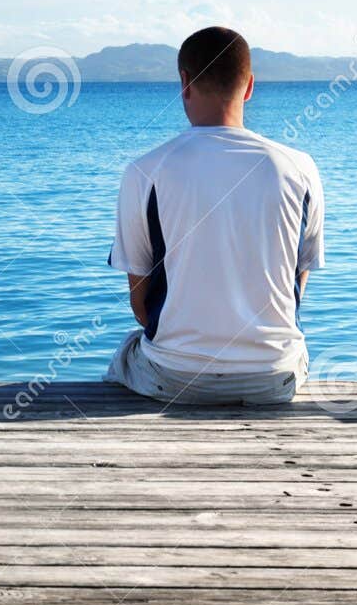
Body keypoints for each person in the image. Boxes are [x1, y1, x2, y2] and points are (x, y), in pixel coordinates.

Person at [105, 26, 324, 405]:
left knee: (127, 353)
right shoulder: (300, 168)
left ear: (184, 83)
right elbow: (297, 287)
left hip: (175, 379)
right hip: (275, 378)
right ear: (250, 86)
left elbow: (142, 309)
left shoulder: (145, 170)